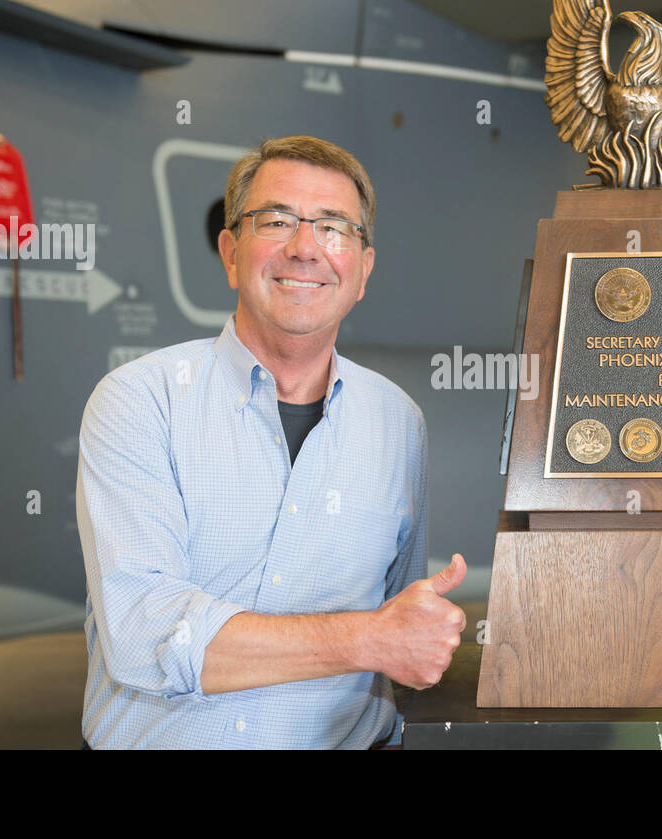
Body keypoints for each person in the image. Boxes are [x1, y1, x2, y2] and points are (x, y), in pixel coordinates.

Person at [75, 136, 466, 749]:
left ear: (362, 269)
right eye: (276, 221)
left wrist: (416, 633)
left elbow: (400, 623)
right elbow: (144, 630)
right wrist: (368, 639)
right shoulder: (139, 402)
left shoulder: (400, 425)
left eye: (334, 227)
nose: (306, 247)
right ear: (231, 253)